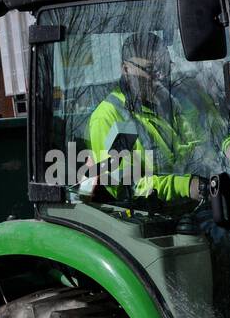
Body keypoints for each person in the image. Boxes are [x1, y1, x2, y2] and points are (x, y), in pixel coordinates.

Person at [87, 32, 221, 202]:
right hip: (150, 218)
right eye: (150, 70)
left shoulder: (167, 102)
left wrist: (224, 156)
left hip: (191, 207)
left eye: (164, 68)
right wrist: (185, 186)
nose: (160, 77)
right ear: (126, 69)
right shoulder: (108, 116)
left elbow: (194, 149)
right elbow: (124, 186)